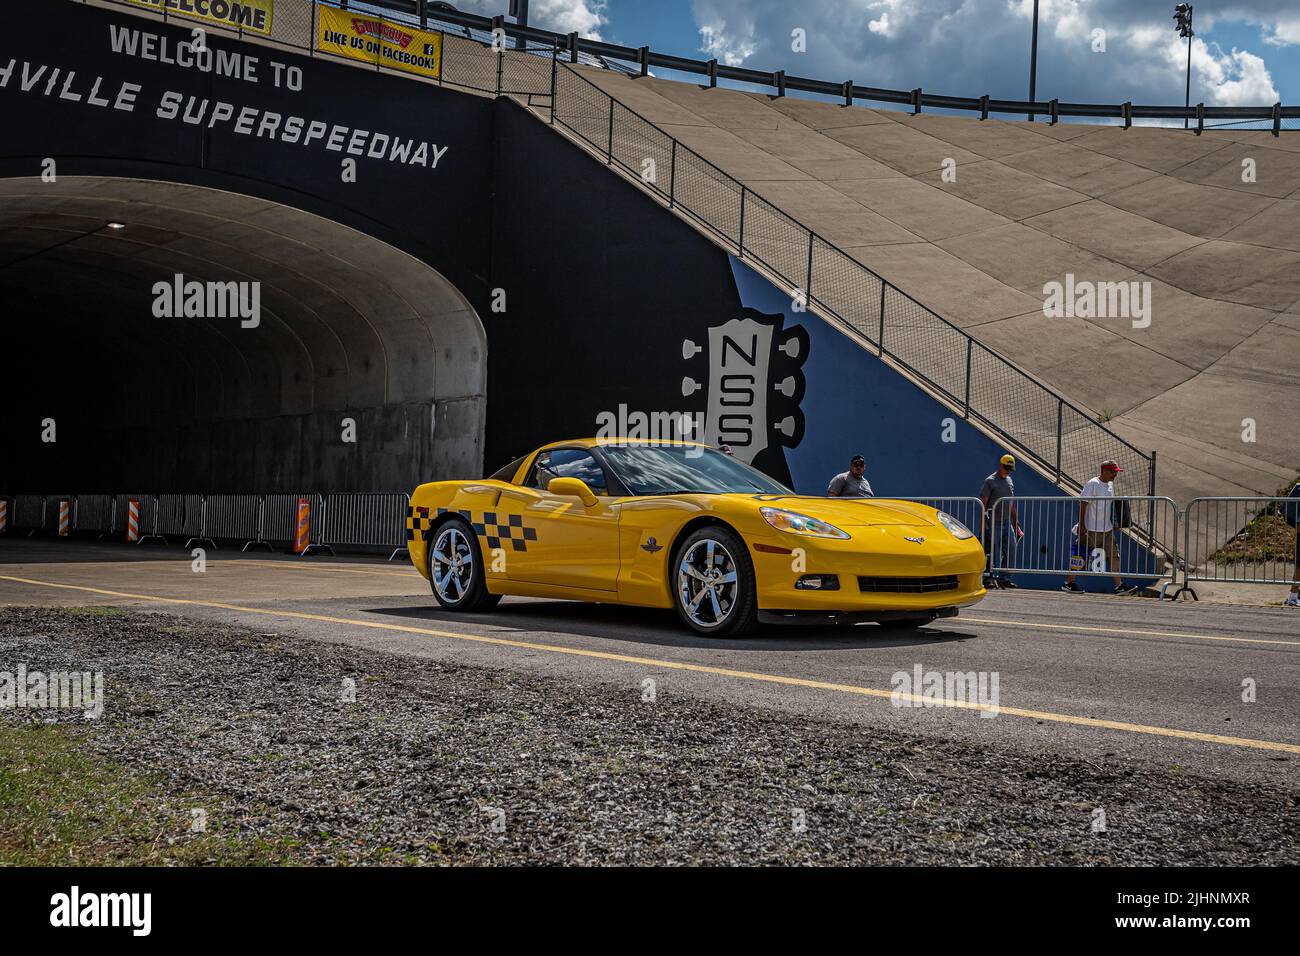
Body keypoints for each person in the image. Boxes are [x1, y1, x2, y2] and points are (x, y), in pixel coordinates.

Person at [1062, 460, 1136, 595]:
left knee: (1114, 556)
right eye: (1113, 472)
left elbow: (1109, 505)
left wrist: (1114, 522)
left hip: (1107, 529)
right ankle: (1069, 583)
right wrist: (1082, 524)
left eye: (1116, 472)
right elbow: (1083, 503)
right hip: (1091, 529)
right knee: (1080, 556)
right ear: (1105, 471)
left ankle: (1118, 586)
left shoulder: (1110, 485)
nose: (1115, 475)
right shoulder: (1093, 484)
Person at [979, 453, 1023, 589]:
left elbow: (1011, 503)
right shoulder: (990, 481)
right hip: (993, 522)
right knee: (991, 550)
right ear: (1000, 465)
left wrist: (1016, 523)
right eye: (1006, 468)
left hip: (1006, 522)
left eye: (1010, 469)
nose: (1007, 471)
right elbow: (983, 502)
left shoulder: (1009, 481)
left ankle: (1005, 578)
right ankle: (988, 577)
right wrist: (982, 524)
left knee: (1011, 548)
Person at [1285, 480, 1300, 607]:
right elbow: (1285, 510)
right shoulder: (1299, 489)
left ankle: (1295, 596)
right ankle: (1293, 597)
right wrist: (1297, 525)